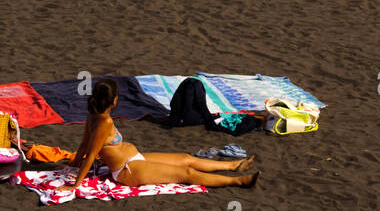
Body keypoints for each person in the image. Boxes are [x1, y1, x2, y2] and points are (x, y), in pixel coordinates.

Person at [65, 79, 258, 189]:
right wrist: (75, 184)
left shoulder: (93, 116)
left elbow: (83, 146)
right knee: (186, 174)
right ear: (114, 100)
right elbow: (91, 153)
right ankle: (238, 181)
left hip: (134, 158)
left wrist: (72, 165)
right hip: (128, 170)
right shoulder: (104, 122)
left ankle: (233, 165)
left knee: (186, 158)